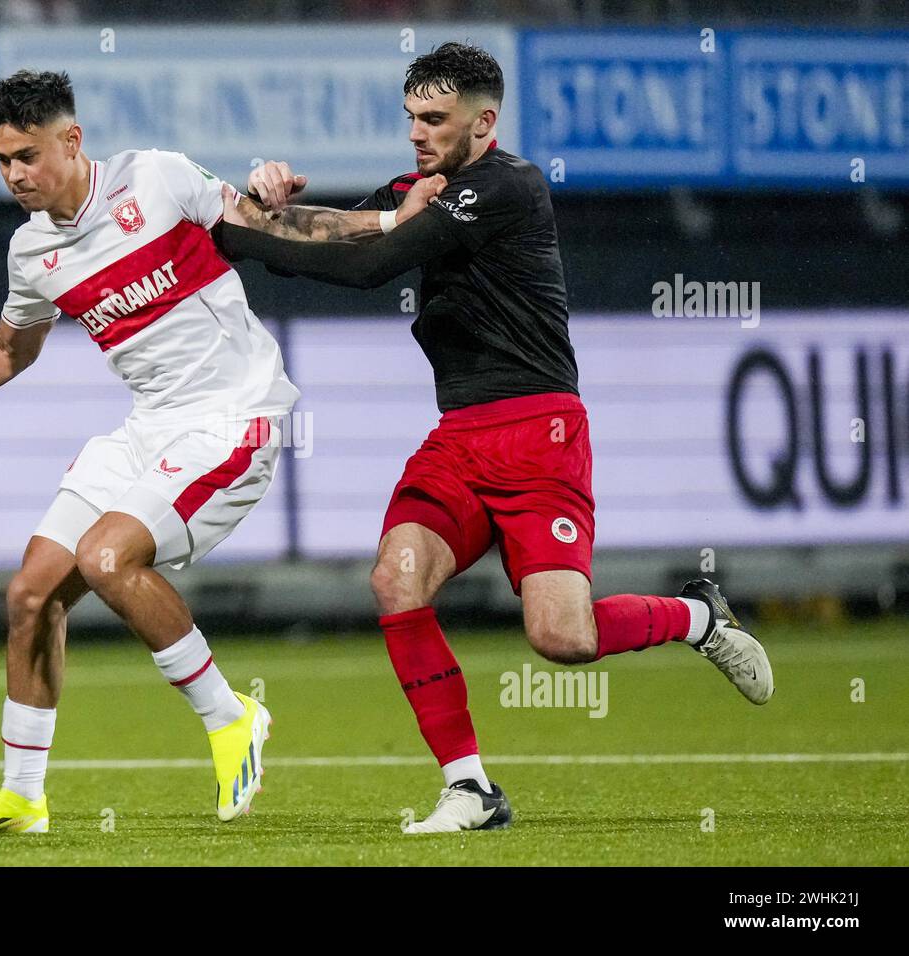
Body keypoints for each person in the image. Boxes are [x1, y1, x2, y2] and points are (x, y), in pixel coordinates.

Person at [213, 42, 774, 834]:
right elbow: (338, 227)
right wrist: (262, 200)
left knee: (561, 639)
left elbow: (373, 265)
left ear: (484, 121)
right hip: (459, 437)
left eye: (434, 119)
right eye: (410, 116)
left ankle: (697, 618)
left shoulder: (509, 186)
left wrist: (238, 243)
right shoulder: (417, 188)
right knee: (395, 579)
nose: (417, 132)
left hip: (539, 432)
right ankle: (471, 788)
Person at [0, 69, 301, 833]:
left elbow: (264, 224)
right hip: (149, 426)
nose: (15, 175)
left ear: (71, 139)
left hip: (233, 417)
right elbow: (8, 349)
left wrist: (283, 196)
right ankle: (24, 796)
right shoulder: (33, 252)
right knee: (29, 594)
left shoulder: (155, 178)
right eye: (1, 161)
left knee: (107, 558)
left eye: (27, 155)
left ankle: (230, 716)